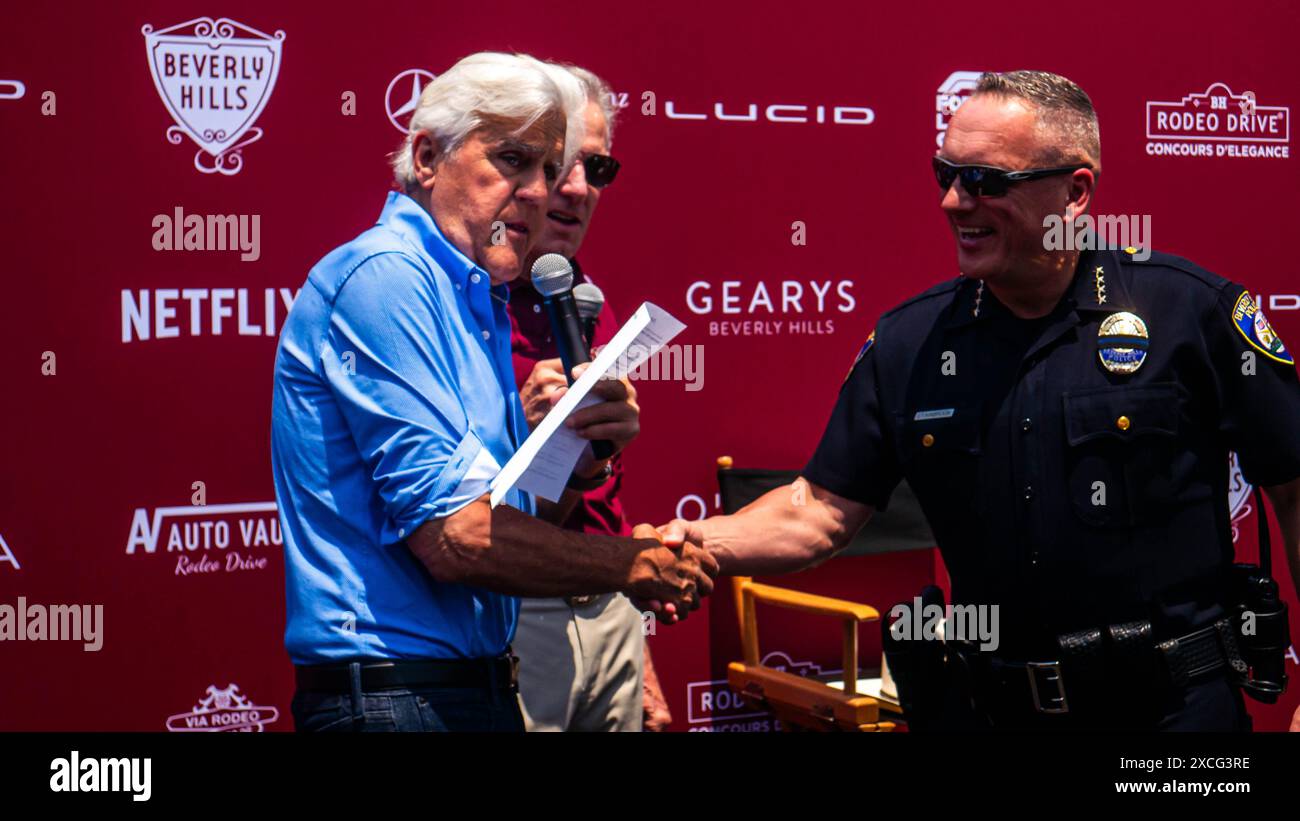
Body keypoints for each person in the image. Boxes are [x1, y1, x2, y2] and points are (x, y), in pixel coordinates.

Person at [658, 71, 1300, 731]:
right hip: (990, 713)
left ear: (1075, 192)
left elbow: (1295, 490)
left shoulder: (1192, 313)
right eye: (946, 173)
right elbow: (818, 510)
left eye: (987, 181)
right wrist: (690, 539)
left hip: (1172, 718)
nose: (953, 202)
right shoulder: (909, 343)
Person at [270, 52, 715, 733]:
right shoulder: (388, 276)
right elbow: (455, 539)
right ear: (426, 158)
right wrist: (634, 561)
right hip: (398, 697)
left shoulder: (478, 296)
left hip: (466, 686)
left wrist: (585, 452)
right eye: (513, 160)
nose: (539, 192)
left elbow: (518, 516)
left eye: (548, 168)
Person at [509, 64, 672, 732]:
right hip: (512, 611)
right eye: (557, 164)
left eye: (597, 170)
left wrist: (638, 641)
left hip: (608, 605)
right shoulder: (457, 301)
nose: (576, 189)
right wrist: (524, 434)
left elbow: (603, 486)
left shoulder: (579, 295)